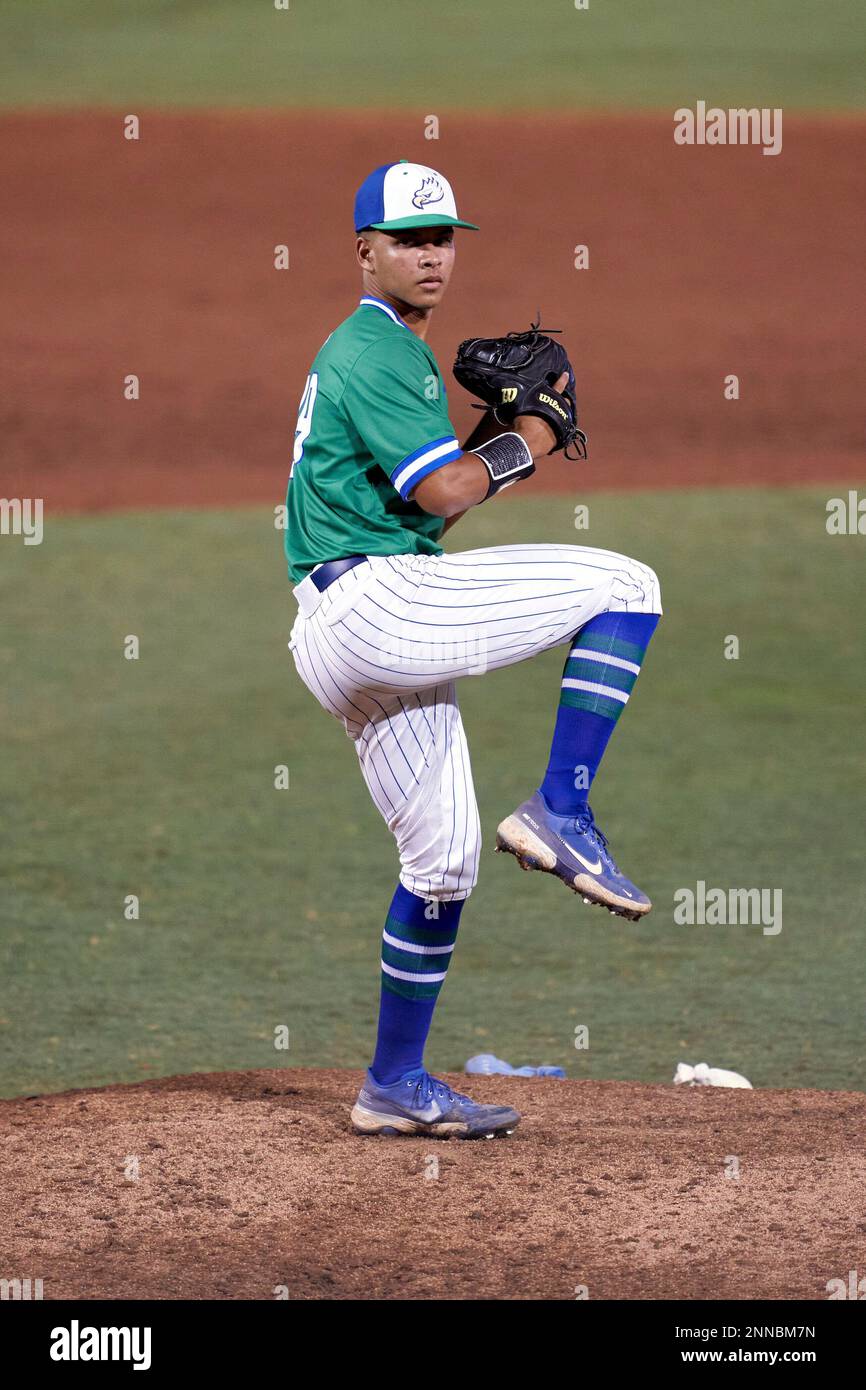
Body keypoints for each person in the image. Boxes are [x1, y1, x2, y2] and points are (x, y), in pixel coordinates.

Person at [283, 160, 661, 1139]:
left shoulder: (391, 355)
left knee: (443, 864)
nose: (429, 255)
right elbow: (448, 494)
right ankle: (561, 809)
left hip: (345, 623)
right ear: (363, 250)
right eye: (408, 239)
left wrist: (490, 432)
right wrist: (529, 432)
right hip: (370, 607)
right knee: (626, 585)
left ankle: (391, 1085)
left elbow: (422, 506)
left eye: (442, 237)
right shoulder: (370, 349)